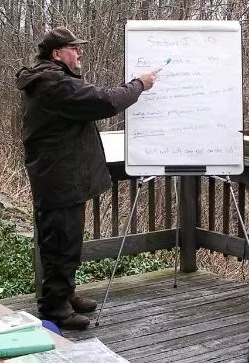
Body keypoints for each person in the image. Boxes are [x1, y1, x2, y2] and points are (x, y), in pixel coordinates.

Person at [16, 26, 157, 330]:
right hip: (59, 178)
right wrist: (139, 85)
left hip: (62, 176)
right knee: (60, 243)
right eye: (74, 48)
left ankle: (65, 294)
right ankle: (55, 307)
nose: (80, 53)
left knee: (67, 241)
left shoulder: (52, 81)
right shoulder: (53, 84)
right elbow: (104, 101)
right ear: (57, 54)